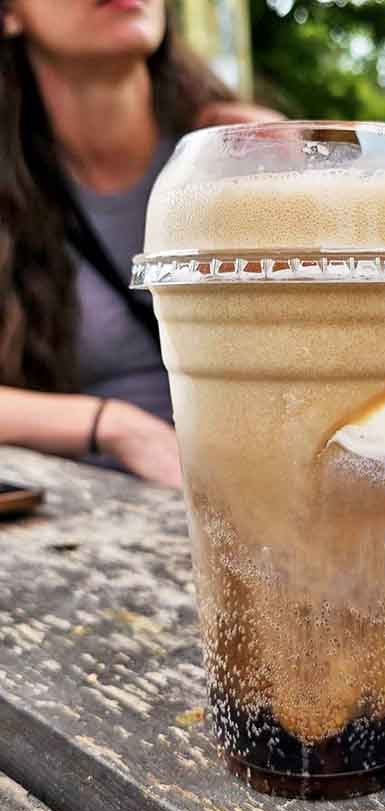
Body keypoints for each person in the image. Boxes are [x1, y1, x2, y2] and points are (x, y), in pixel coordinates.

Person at [0, 0, 280, 487]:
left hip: (263, 492)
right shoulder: (11, 192)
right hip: (99, 512)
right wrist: (115, 427)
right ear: (8, 14)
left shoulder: (245, 153)